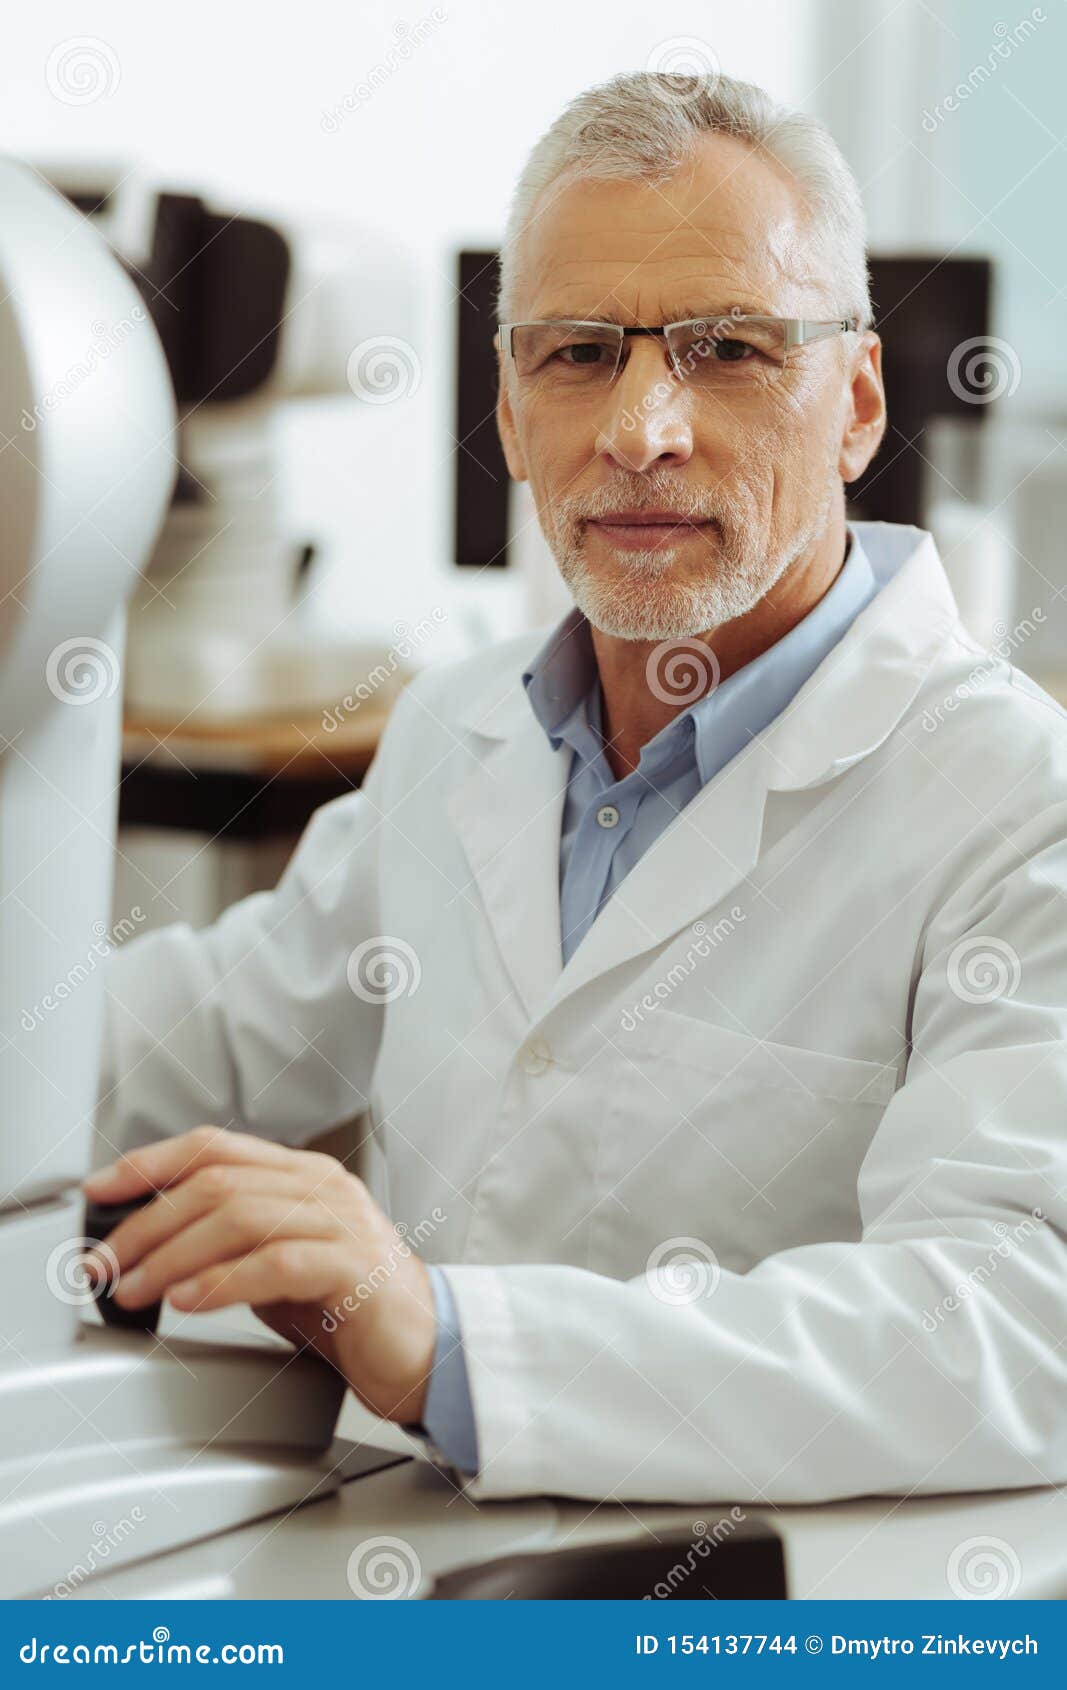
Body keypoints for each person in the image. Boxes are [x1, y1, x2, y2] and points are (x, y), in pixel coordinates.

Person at [94, 70, 1067, 1505]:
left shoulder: (1015, 804)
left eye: (728, 347)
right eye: (576, 355)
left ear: (856, 404)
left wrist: (452, 1340)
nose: (640, 430)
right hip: (422, 1566)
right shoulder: (455, 728)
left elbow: (1010, 1325)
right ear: (508, 404)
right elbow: (203, 1031)